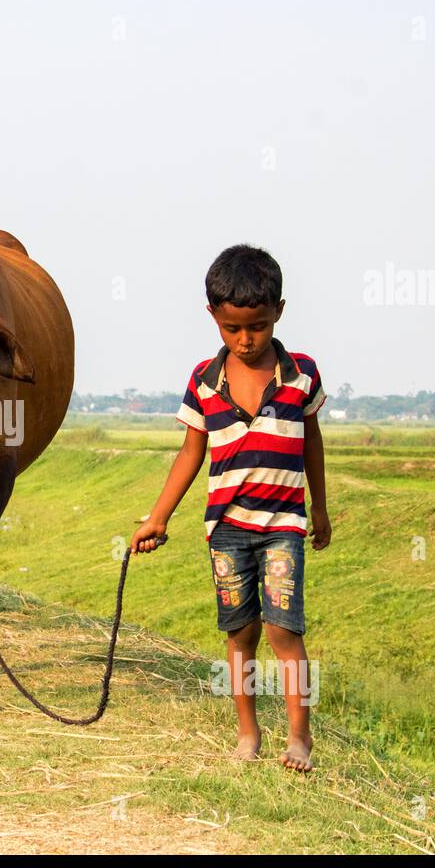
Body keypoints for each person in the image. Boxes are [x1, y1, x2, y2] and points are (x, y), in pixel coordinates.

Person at [130, 244, 331, 773]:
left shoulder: (302, 374)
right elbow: (190, 453)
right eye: (232, 329)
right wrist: (158, 516)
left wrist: (322, 509)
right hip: (227, 531)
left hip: (284, 526)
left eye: (258, 327)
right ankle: (247, 732)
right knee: (239, 633)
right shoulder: (203, 381)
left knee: (285, 632)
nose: (245, 340)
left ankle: (300, 740)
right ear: (213, 318)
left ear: (279, 313)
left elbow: (313, 444)